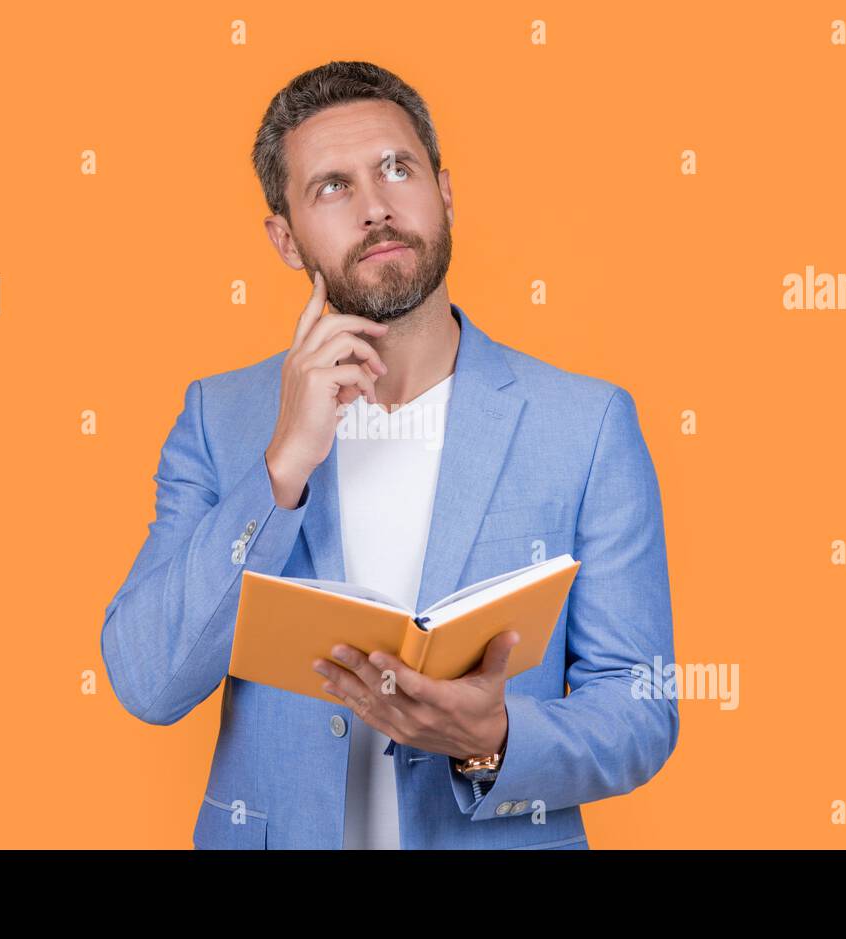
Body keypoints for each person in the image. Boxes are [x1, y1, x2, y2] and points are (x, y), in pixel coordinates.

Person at [100, 60, 679, 850]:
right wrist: (279, 472)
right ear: (284, 237)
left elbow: (640, 709)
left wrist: (496, 736)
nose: (376, 207)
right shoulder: (219, 418)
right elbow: (147, 681)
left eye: (397, 169)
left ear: (444, 192)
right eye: (331, 187)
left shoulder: (586, 424)